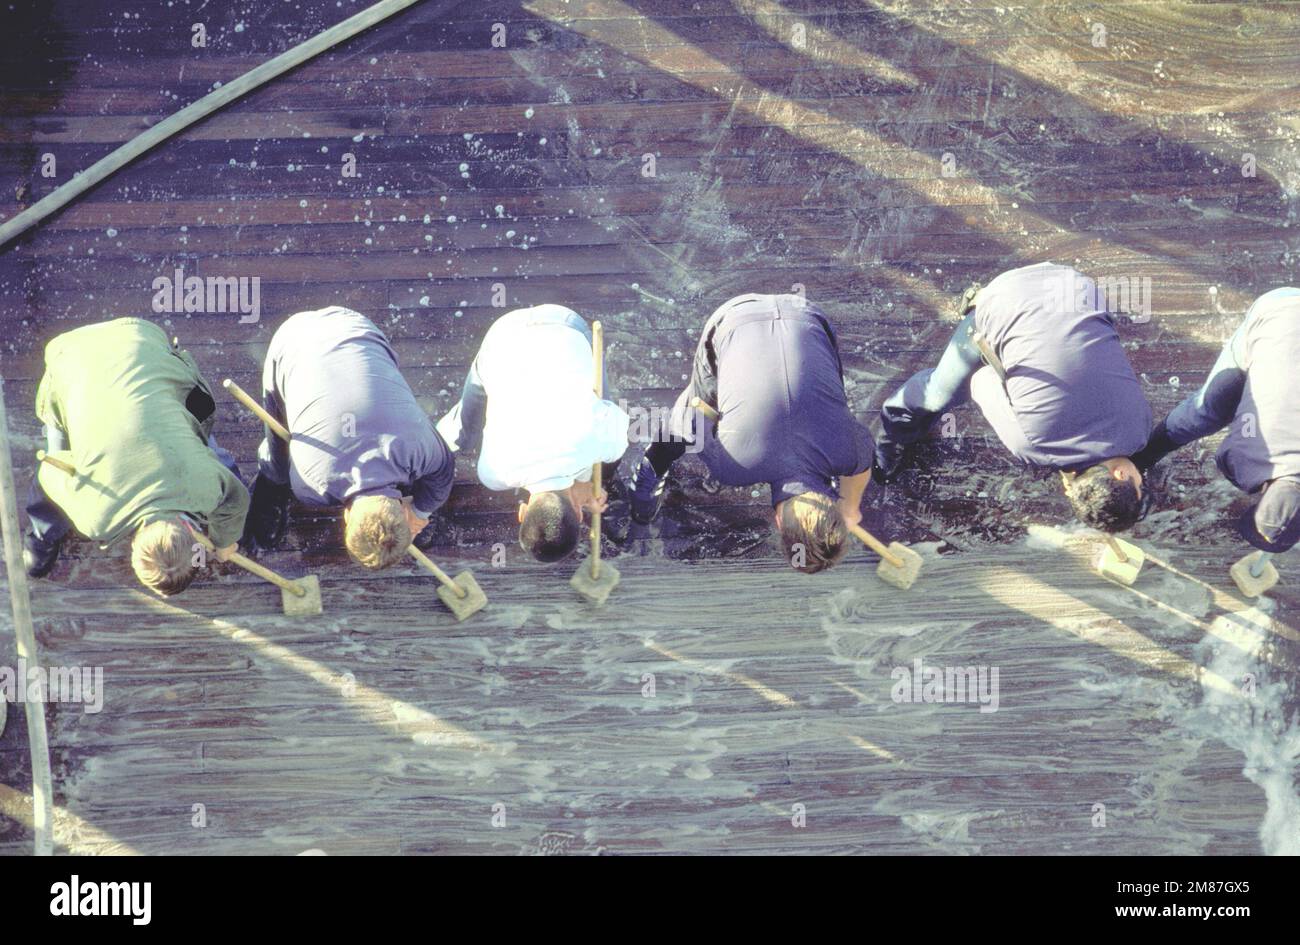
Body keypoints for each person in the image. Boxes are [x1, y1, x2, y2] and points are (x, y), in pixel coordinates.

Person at [876, 262, 1152, 533]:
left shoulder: (1140, 429)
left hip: (1072, 285)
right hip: (1009, 298)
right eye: (1141, 485)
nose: (1142, 479)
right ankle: (889, 440)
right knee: (938, 394)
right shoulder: (1034, 447)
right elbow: (980, 381)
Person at [627, 293, 876, 574]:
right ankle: (649, 475)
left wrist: (851, 508)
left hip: (806, 315)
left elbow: (862, 464)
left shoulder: (849, 454)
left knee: (826, 394)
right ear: (779, 524)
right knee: (691, 413)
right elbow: (690, 419)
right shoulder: (732, 468)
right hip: (730, 321)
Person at [23, 318, 249, 595]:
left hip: (139, 340)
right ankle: (42, 533)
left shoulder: (206, 488)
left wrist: (225, 540)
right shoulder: (97, 517)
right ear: (133, 547)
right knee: (54, 465)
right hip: (75, 357)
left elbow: (235, 498)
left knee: (209, 455)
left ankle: (45, 528)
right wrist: (226, 541)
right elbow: (49, 473)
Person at [243, 307, 455, 569]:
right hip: (291, 345)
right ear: (345, 516)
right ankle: (270, 480)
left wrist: (419, 512)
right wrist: (420, 511)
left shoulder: (421, 448)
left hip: (359, 328)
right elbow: (443, 474)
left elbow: (445, 469)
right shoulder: (311, 487)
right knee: (278, 453)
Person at [436, 304, 629, 562]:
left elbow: (616, 420)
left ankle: (444, 444)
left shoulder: (605, 443)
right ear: (522, 512)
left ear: (579, 513)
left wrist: (586, 481)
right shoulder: (494, 473)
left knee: (466, 427)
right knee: (470, 427)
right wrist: (583, 480)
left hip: (560, 327)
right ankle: (440, 444)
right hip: (506, 337)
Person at [1132, 287, 1300, 554]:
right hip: (1280, 315)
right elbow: (1225, 457)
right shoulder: (1246, 458)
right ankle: (1141, 457)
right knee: (1208, 411)